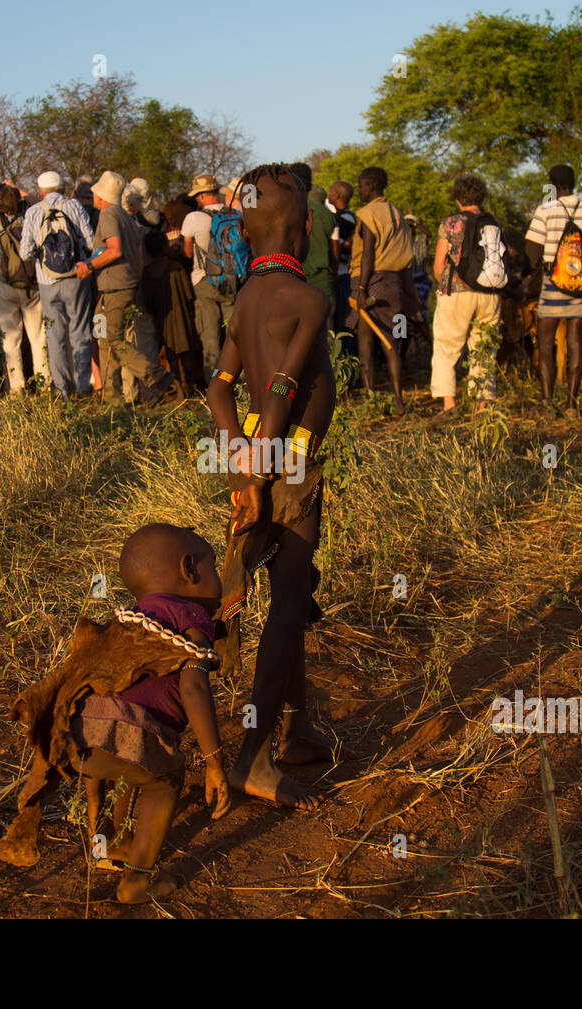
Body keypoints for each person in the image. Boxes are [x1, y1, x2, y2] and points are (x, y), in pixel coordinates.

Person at [0, 523, 231, 904]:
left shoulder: (126, 620)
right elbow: (193, 687)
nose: (218, 577)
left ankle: (111, 845)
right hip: (133, 733)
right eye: (214, 566)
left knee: (128, 761)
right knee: (163, 779)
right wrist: (213, 761)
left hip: (80, 738)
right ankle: (138, 881)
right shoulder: (191, 618)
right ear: (189, 570)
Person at [206, 163, 336, 811]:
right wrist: (260, 472)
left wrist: (237, 461)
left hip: (259, 455)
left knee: (291, 587)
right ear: (308, 228)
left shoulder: (246, 301)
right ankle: (253, 753)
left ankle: (299, 729)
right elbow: (284, 390)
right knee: (288, 600)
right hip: (289, 463)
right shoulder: (310, 301)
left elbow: (218, 389)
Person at [76, 171, 177, 405]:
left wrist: (88, 266)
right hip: (119, 288)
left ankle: (155, 375)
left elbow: (115, 250)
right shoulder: (124, 216)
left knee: (112, 339)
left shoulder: (109, 215)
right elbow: (138, 257)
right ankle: (111, 398)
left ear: (102, 195)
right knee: (102, 338)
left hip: (113, 290)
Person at [525, 164, 582, 416]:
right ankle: (571, 404)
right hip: (581, 283)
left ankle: (547, 402)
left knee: (546, 342)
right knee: (575, 340)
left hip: (553, 281)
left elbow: (532, 250)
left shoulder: (546, 209)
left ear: (552, 185)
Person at [349, 166, 419, 414]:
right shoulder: (398, 213)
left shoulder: (367, 214)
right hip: (395, 286)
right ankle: (399, 400)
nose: (358, 190)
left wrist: (361, 288)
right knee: (393, 342)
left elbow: (368, 252)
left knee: (366, 342)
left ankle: (371, 399)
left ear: (371, 186)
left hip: (371, 282)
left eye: (360, 185)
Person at [430, 174, 503, 412]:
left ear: (458, 198)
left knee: (447, 347)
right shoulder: (492, 222)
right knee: (484, 347)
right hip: (490, 293)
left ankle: (449, 404)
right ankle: (481, 403)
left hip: (457, 292)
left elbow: (439, 265)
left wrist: (445, 287)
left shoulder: (450, 223)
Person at [21, 171, 96, 396]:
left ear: (40, 191)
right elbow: (91, 241)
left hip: (47, 282)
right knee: (80, 332)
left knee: (55, 337)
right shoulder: (73, 206)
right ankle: (83, 385)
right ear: (63, 188)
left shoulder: (33, 211)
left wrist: (43, 254)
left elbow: (25, 253)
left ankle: (63, 389)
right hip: (76, 277)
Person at [0, 180, 48, 394]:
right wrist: (15, 188)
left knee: (10, 339)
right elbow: (39, 201)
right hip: (32, 285)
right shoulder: (31, 217)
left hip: (5, 284)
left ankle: (17, 387)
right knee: (38, 337)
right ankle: (44, 384)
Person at [181, 174, 238, 374]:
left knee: (210, 338)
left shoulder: (193, 218)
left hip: (204, 281)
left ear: (203, 195)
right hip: (233, 280)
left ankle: (215, 385)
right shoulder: (235, 214)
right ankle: (241, 385)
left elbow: (188, 252)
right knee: (235, 338)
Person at [141, 228, 204, 395]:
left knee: (171, 355)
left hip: (162, 319)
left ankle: (179, 390)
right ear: (164, 247)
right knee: (187, 352)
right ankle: (190, 387)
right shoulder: (176, 267)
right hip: (182, 316)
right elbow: (189, 295)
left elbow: (147, 301)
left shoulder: (147, 273)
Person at [289, 163, 337, 308]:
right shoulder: (326, 214)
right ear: (310, 186)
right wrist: (333, 278)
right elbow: (334, 251)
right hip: (322, 281)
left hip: (292, 278)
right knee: (327, 325)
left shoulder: (283, 211)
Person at [326, 181, 358, 345]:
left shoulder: (345, 218)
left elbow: (347, 248)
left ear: (337, 195)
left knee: (341, 323)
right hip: (340, 275)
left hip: (341, 275)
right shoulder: (343, 217)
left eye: (331, 191)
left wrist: (333, 246)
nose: (328, 194)